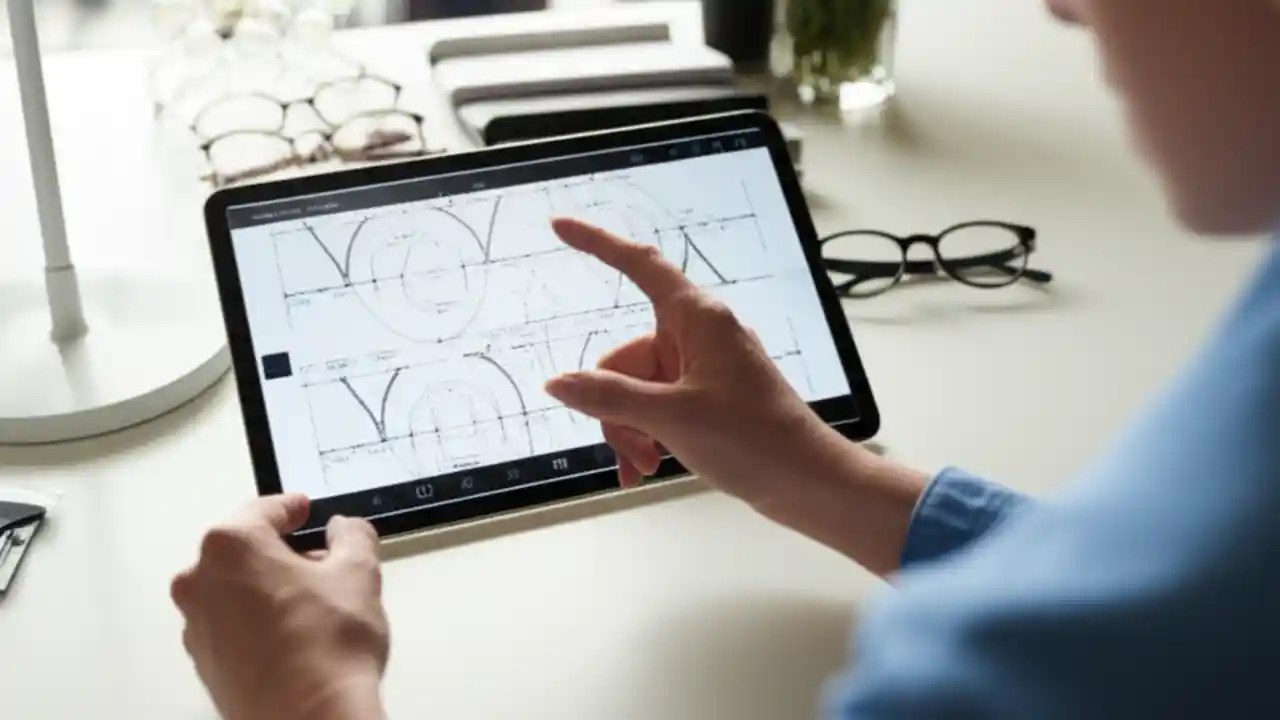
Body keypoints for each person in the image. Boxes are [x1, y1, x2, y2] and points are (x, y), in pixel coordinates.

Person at [169, 0, 1280, 718]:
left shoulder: (984, 683)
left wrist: (308, 699)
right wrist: (820, 474)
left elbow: (1150, 638)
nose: (1062, 6)